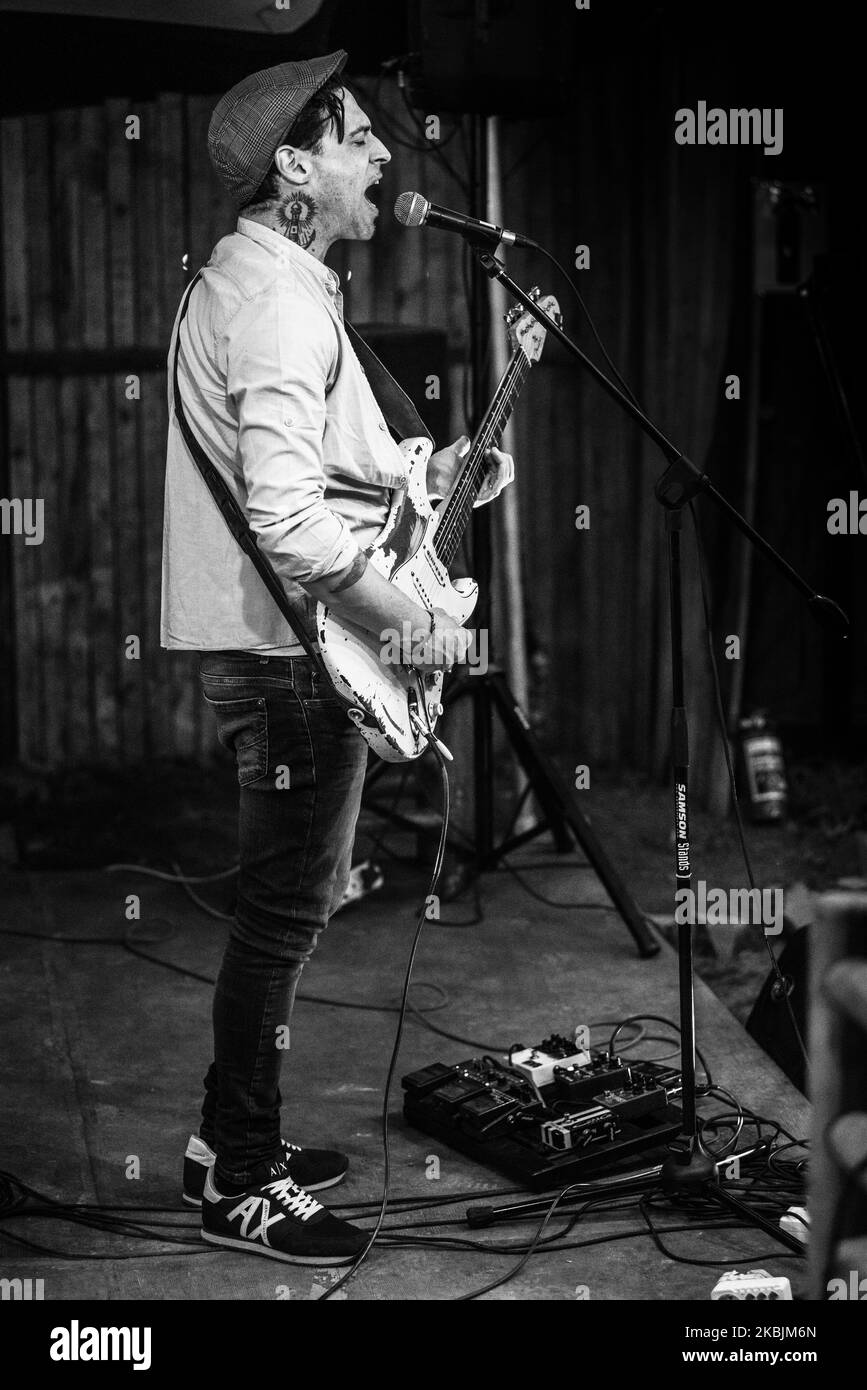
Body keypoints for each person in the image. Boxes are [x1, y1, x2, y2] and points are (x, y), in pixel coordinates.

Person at [161, 50, 513, 1265]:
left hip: (290, 645)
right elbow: (289, 521)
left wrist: (442, 473)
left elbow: (338, 482)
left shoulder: (282, 286)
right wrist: (402, 616)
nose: (385, 160)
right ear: (296, 167)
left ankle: (224, 1143)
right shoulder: (272, 301)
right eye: (360, 140)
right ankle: (242, 1178)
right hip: (291, 653)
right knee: (282, 913)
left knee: (288, 908)